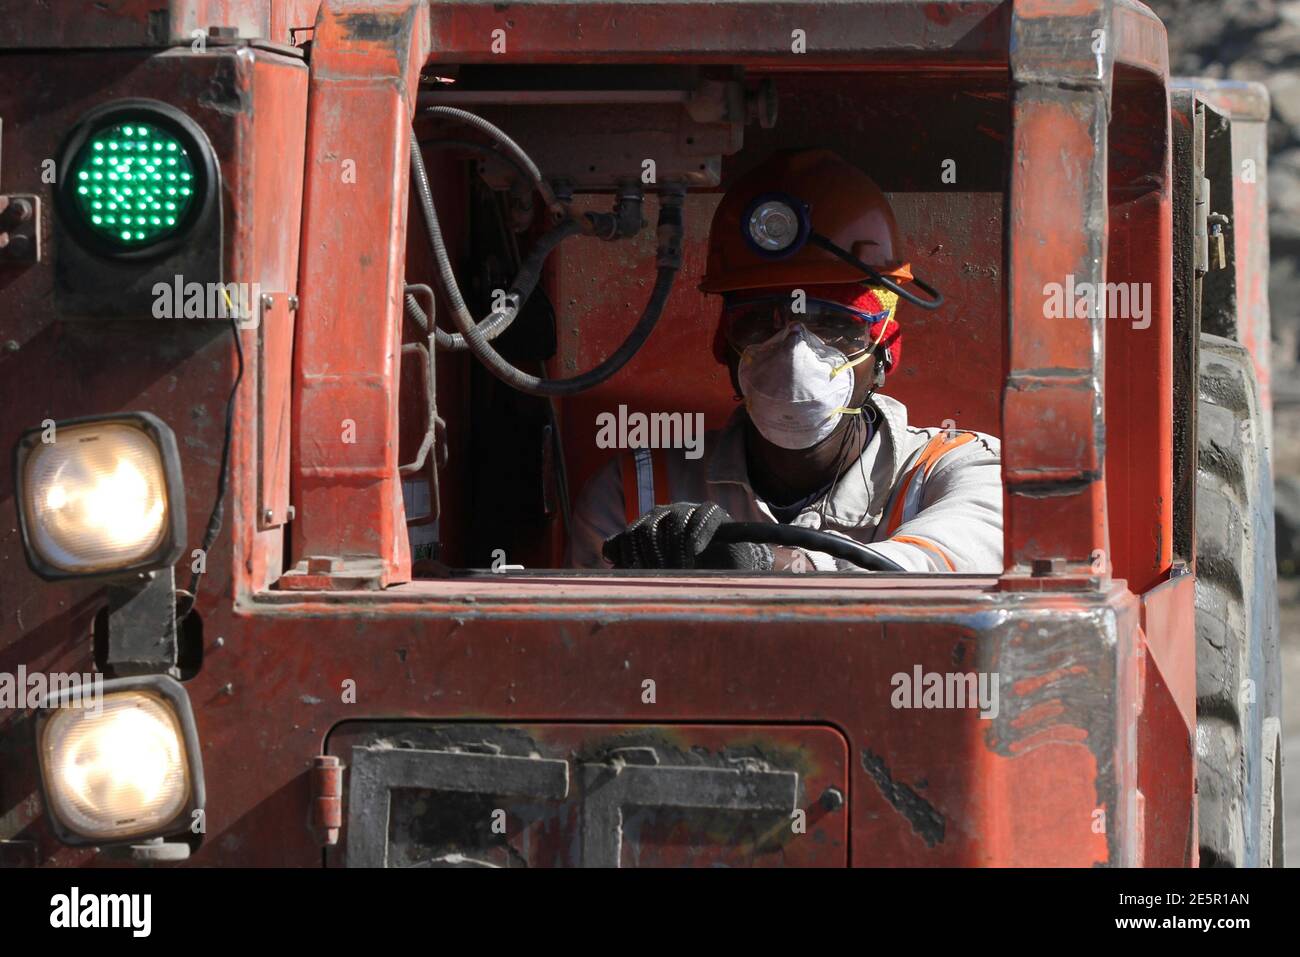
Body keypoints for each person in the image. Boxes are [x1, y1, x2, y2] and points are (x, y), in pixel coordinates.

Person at [567, 149, 1002, 573]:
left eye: (834, 323)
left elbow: (943, 565)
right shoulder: (636, 493)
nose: (796, 352)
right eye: (761, 322)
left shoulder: (957, 470)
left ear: (884, 354)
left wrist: (768, 563)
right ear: (725, 347)